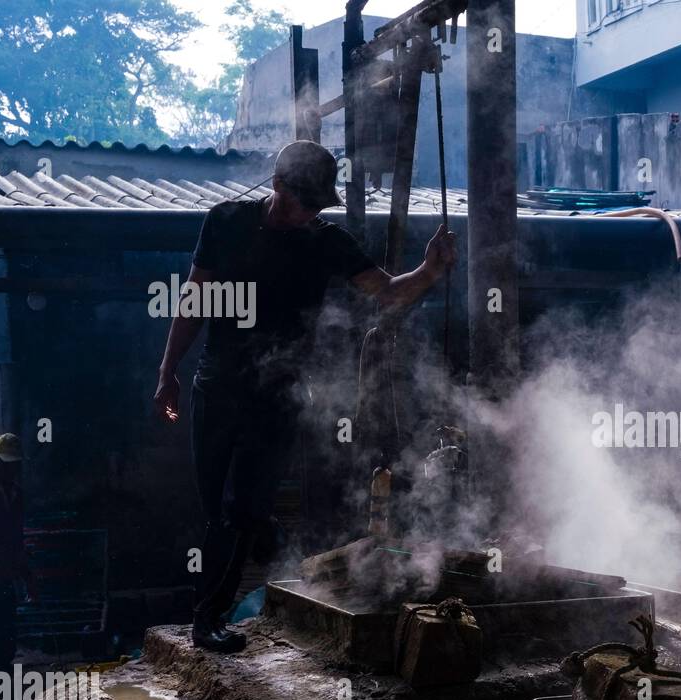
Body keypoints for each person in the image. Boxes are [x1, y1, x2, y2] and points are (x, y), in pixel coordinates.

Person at [153, 140, 456, 653]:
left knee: (237, 512)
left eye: (317, 206)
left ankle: (208, 618)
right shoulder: (224, 222)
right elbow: (194, 298)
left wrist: (428, 272)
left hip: (281, 394)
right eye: (302, 203)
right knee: (218, 510)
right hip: (217, 386)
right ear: (276, 188)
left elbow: (385, 291)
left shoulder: (327, 242)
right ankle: (260, 531)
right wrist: (168, 372)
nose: (308, 214)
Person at [0, 433, 34, 700]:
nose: (9, 469)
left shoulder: (17, 494)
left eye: (13, 465)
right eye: (4, 464)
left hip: (5, 575)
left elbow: (16, 539)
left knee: (7, 633)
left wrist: (27, 574)